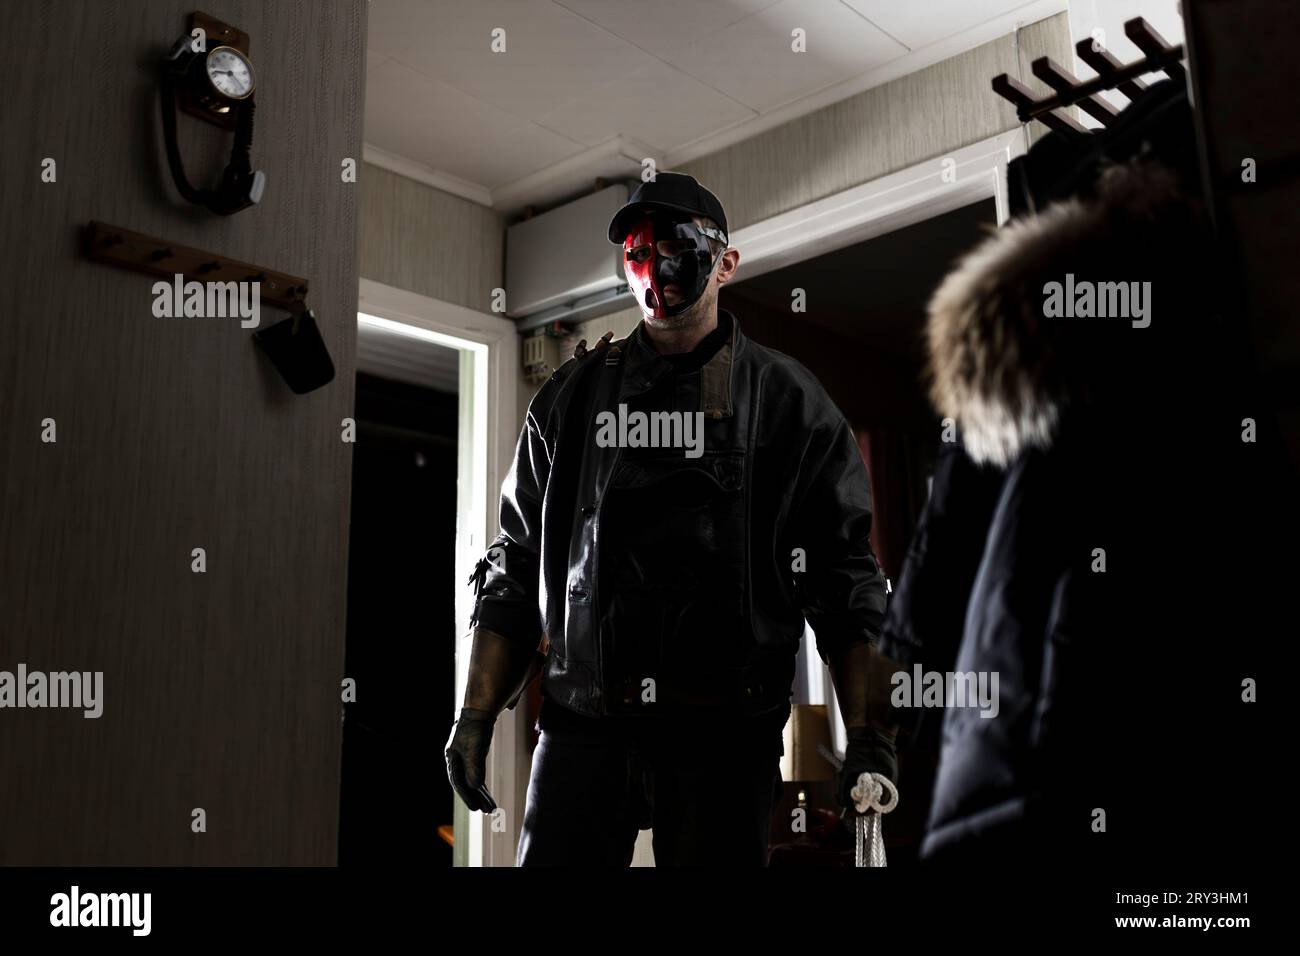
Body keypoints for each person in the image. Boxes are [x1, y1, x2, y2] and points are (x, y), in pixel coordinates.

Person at [445, 172, 898, 866]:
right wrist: (475, 711)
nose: (654, 266)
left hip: (725, 735)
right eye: (635, 250)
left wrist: (869, 735)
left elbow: (845, 580)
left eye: (677, 244)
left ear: (725, 261)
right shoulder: (571, 400)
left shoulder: (787, 403)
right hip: (583, 726)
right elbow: (514, 560)